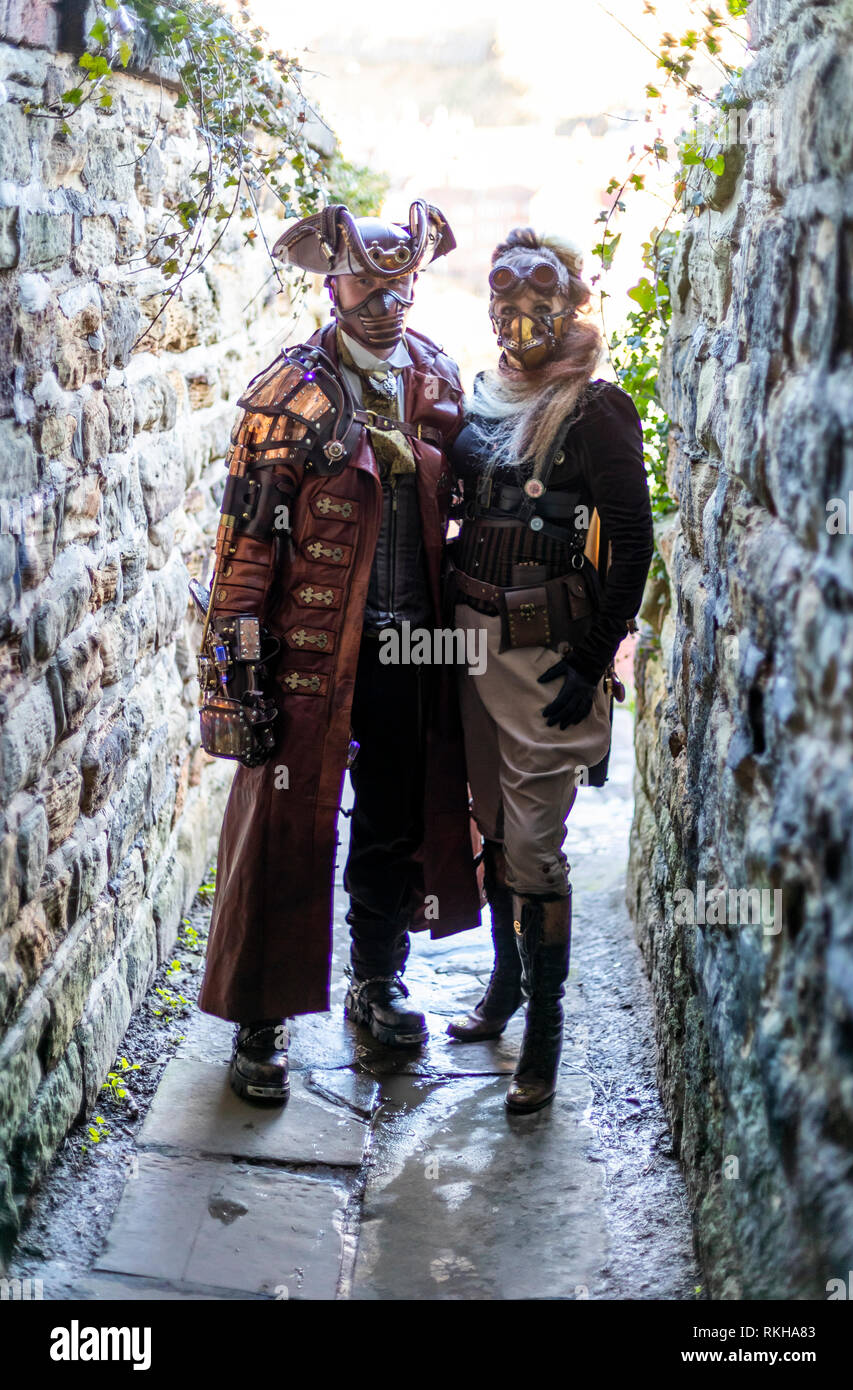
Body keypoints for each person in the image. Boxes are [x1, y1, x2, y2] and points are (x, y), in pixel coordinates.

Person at [197, 201, 480, 1103]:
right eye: (368, 286)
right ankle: (261, 1020)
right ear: (332, 284)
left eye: (400, 286)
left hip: (414, 641)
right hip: (309, 650)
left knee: (396, 817)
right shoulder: (291, 389)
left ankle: (376, 979)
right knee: (285, 825)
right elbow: (243, 545)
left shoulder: (435, 374)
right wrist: (237, 680)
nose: (386, 304)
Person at [444, 227, 654, 1113]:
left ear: (570, 305)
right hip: (467, 643)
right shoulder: (482, 395)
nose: (521, 317)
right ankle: (505, 989)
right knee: (489, 826)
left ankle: (546, 1042)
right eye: (506, 298)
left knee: (534, 846)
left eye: (541, 299)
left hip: (543, 656)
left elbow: (632, 540)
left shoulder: (594, 408)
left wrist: (595, 657)